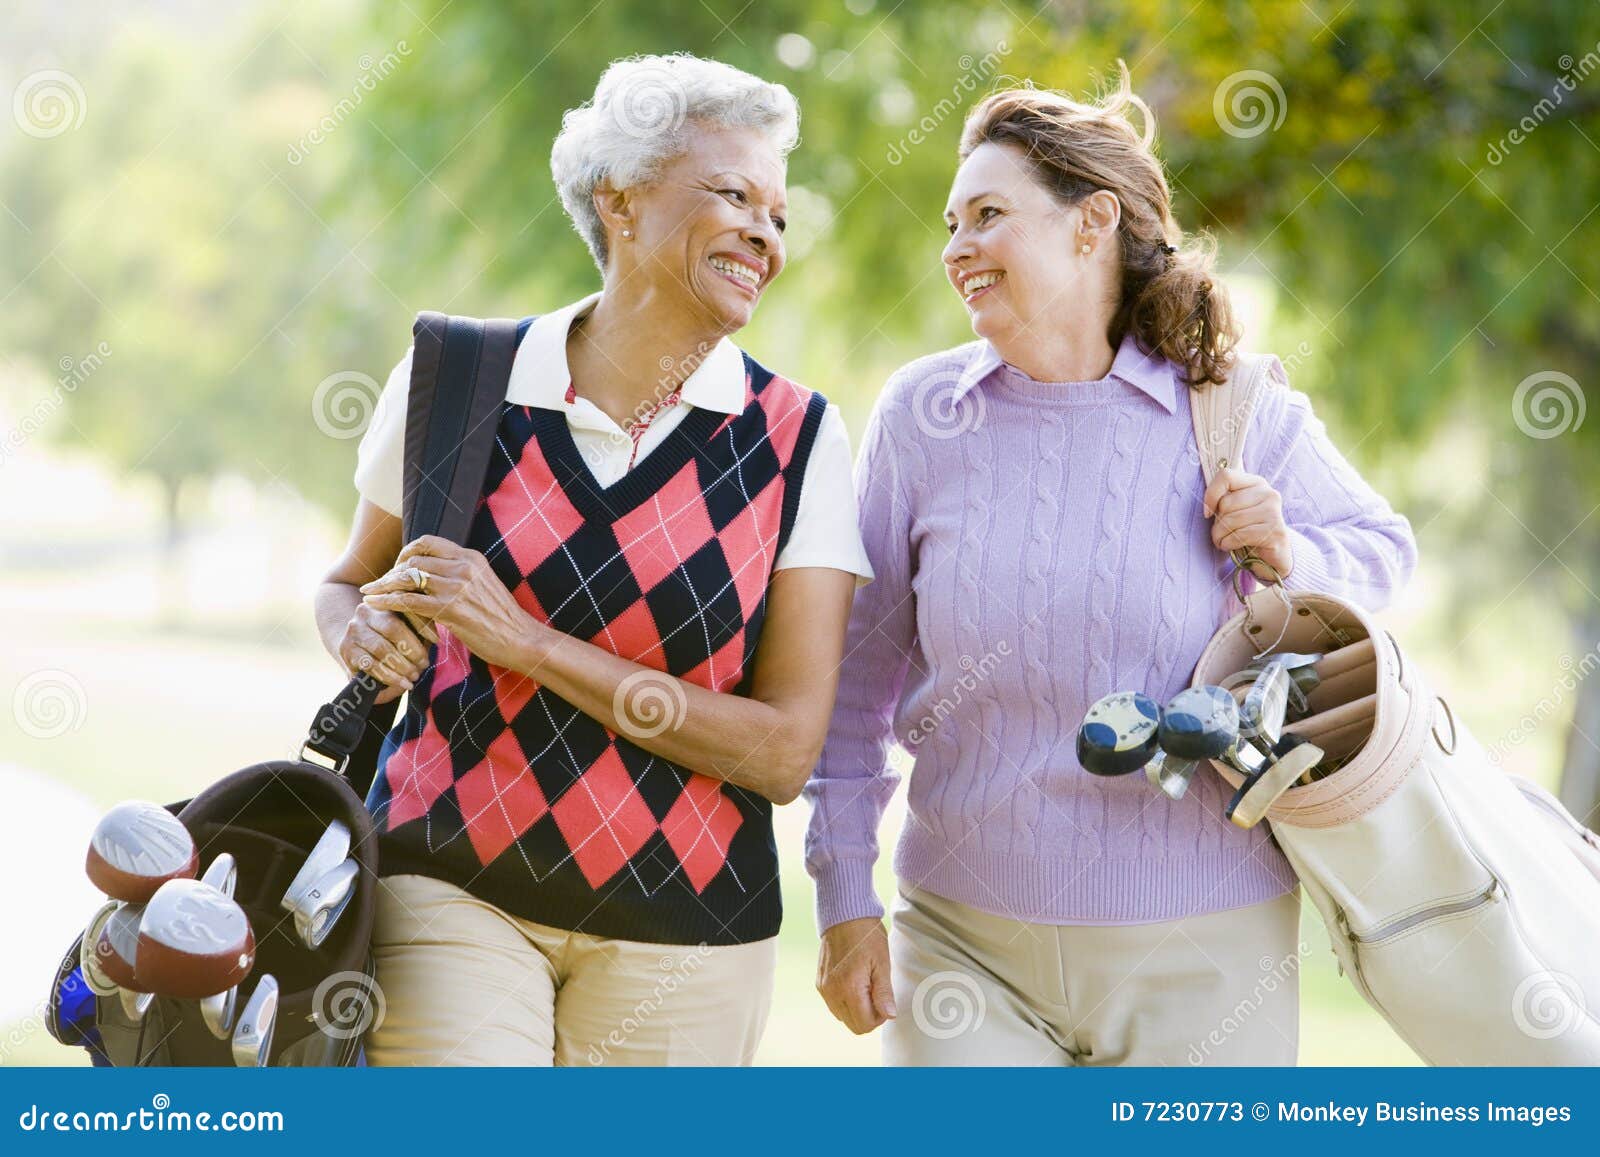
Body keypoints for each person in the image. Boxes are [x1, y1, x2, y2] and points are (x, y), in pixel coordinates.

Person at [804, 65, 1418, 1066]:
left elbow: (1384, 555)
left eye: (987, 215)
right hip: (963, 941)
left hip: (1204, 949)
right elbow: (854, 681)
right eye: (949, 224)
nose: (956, 248)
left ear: (1089, 224)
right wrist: (841, 895)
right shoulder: (923, 415)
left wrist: (1286, 550)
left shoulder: (1230, 406)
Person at [314, 52, 871, 1066]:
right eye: (732, 194)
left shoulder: (799, 439)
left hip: (689, 934)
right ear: (619, 199)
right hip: (450, 878)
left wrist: (526, 643)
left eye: (778, 213)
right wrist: (357, 625)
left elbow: (785, 750)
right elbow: (350, 578)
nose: (763, 230)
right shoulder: (458, 375)